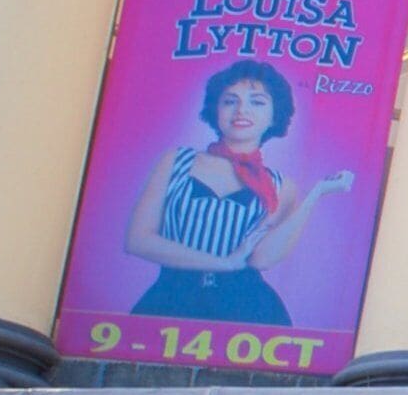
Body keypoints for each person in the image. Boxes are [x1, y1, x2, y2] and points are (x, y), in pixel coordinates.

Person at [123, 59, 350, 324]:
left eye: (257, 102)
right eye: (230, 101)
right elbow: (138, 240)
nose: (242, 110)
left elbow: (262, 260)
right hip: (171, 302)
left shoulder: (280, 185)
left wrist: (316, 194)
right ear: (215, 109)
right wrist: (224, 263)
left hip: (247, 310)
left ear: (274, 115)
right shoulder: (177, 162)